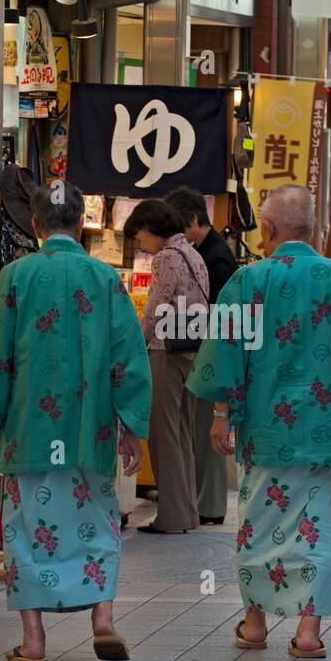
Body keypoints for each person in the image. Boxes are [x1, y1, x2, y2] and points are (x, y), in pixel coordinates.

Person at [187, 185, 331, 657]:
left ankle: (256, 620)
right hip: (322, 426)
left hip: (263, 429)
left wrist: (221, 415)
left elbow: (226, 353)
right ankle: (308, 631)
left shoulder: (247, 282)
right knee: (319, 524)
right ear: (314, 229)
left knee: (258, 524)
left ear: (266, 229)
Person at [0, 183, 150, 661]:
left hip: (29, 429)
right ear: (83, 223)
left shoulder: (16, 276)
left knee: (26, 528)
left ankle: (34, 641)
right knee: (98, 522)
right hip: (91, 431)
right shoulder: (104, 278)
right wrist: (132, 424)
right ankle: (103, 620)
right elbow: (128, 355)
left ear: (34, 225)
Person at [122, 198, 210, 534]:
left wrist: (137, 344)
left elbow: (157, 307)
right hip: (190, 350)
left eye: (140, 235)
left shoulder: (166, 258)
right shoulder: (193, 254)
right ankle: (186, 512)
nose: (140, 243)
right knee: (182, 433)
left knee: (162, 434)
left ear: (151, 228)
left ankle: (171, 517)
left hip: (165, 350)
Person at [167, 185, 238, 526]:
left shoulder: (217, 256)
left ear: (195, 219)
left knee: (207, 431)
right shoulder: (207, 250)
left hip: (212, 351)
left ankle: (210, 505)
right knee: (200, 431)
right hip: (206, 349)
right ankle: (206, 503)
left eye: (181, 225)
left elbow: (223, 314)